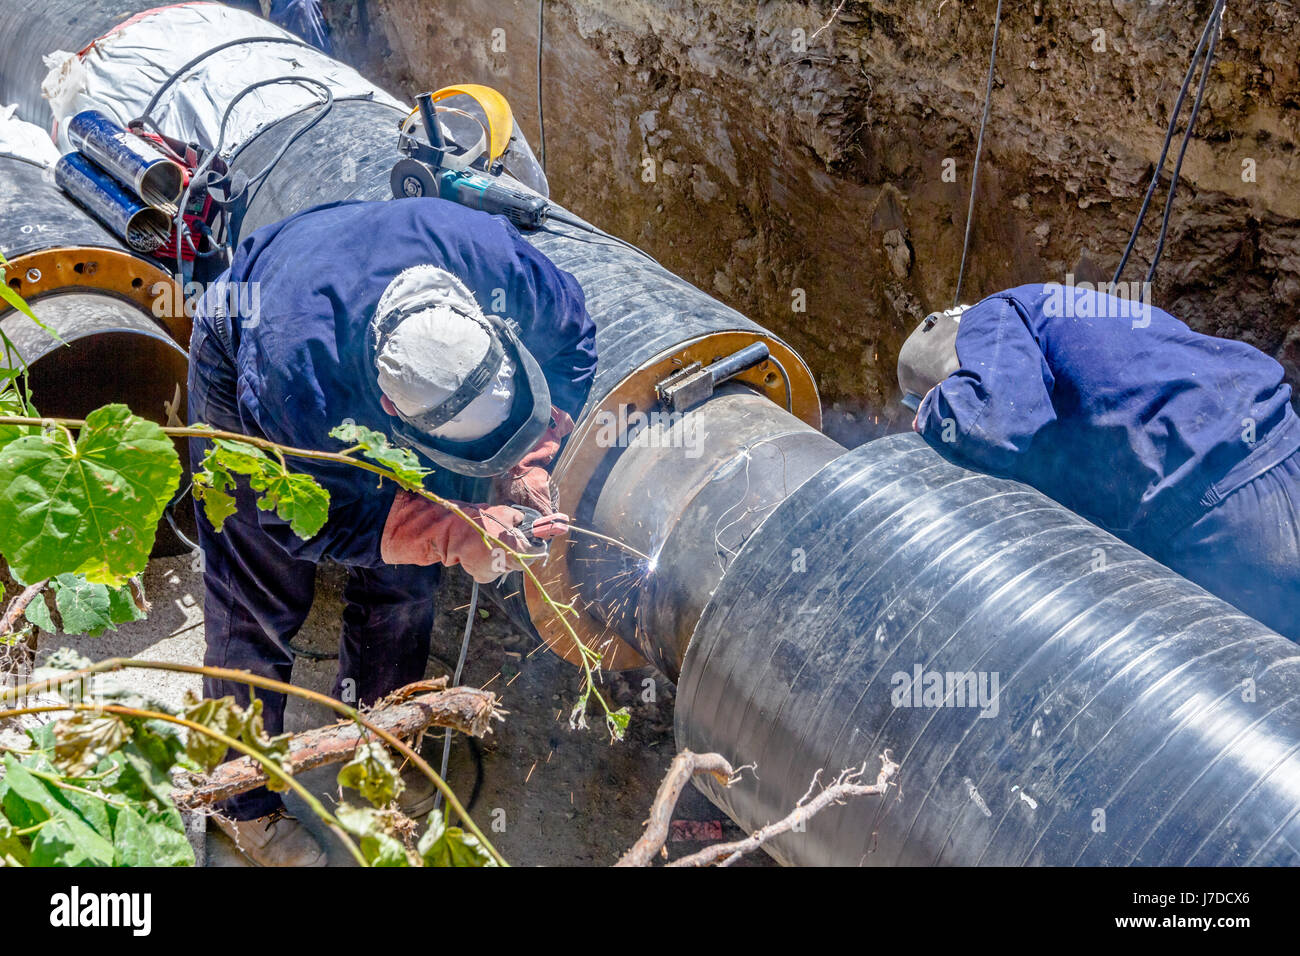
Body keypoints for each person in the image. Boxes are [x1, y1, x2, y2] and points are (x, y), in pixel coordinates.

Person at [187, 197, 596, 865]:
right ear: (391, 415)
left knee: (404, 588)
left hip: (352, 299)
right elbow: (305, 523)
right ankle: (240, 803)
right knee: (257, 595)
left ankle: (380, 756)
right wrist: (454, 535)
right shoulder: (298, 388)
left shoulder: (508, 272)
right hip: (245, 343)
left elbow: (575, 343)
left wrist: (530, 464)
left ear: (495, 331)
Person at [900, 283, 1299, 642]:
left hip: (1220, 502)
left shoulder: (996, 315)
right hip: (1279, 441)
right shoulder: (1073, 317)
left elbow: (993, 422)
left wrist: (934, 413)